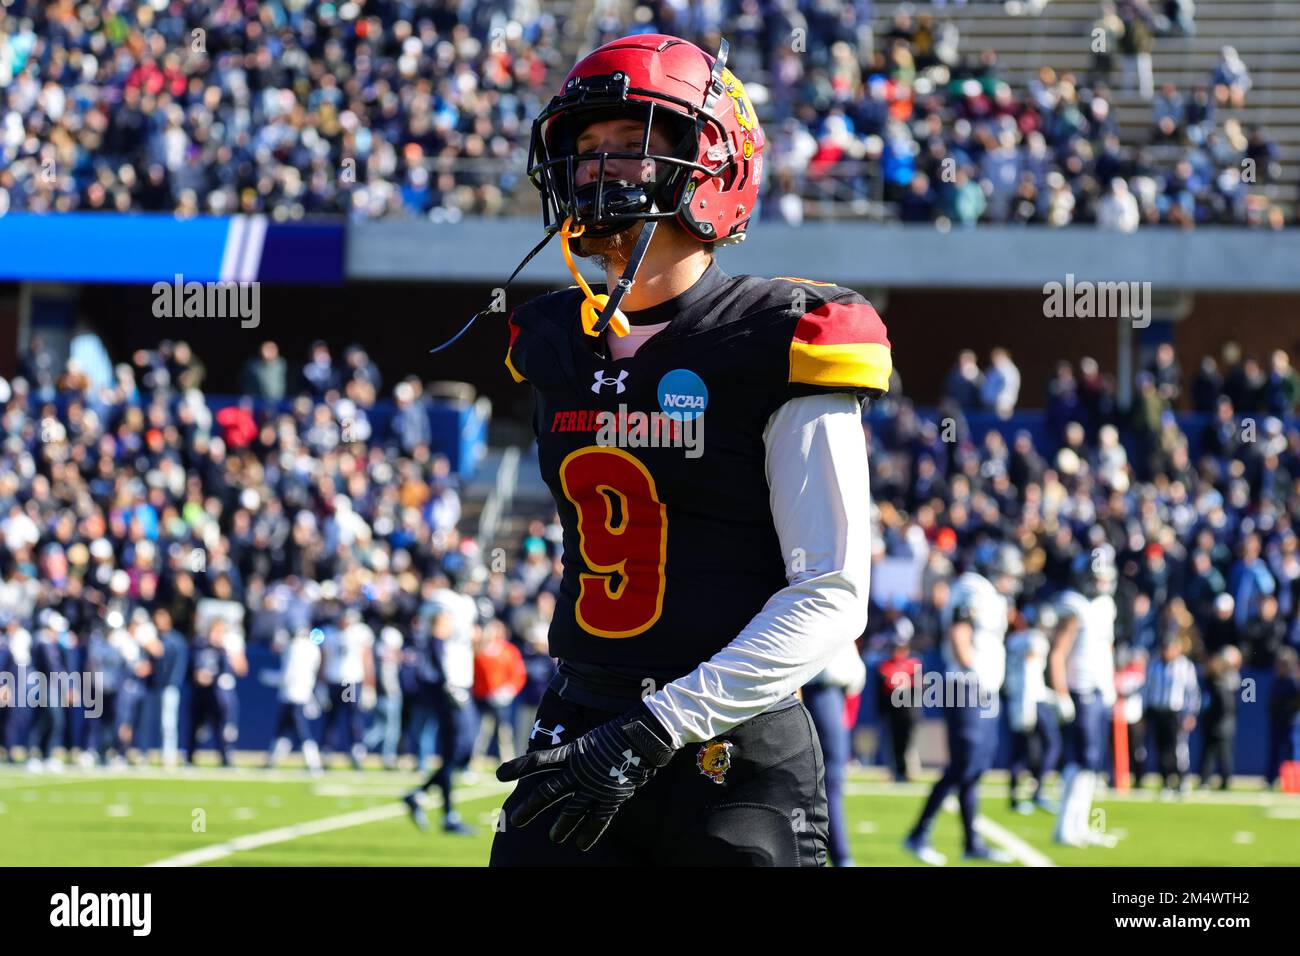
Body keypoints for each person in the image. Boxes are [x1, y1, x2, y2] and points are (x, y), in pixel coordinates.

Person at [490, 33, 889, 867]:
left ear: (713, 165)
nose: (598, 169)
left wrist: (659, 724)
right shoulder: (553, 340)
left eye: (629, 146)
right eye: (585, 148)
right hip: (580, 722)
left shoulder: (781, 335)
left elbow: (833, 592)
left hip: (730, 751)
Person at [904, 543, 1020, 866]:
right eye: (1008, 574)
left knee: (975, 767)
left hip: (981, 689)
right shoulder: (974, 588)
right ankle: (918, 834)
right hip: (967, 687)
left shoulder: (989, 593)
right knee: (964, 764)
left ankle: (972, 842)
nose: (1012, 581)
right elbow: (959, 631)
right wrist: (972, 668)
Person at [1050, 547, 1120, 848]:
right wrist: (1062, 693)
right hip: (1080, 690)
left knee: (1093, 763)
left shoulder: (1106, 605)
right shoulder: (1074, 605)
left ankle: (1080, 824)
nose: (1101, 583)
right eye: (1096, 578)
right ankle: (1065, 826)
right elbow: (1058, 653)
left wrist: (1111, 683)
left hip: (1100, 689)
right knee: (1081, 760)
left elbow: (1107, 650)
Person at [804, 638, 868, 868]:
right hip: (822, 688)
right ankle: (840, 856)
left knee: (830, 777)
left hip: (834, 690)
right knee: (831, 778)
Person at [1005, 604, 1061, 814]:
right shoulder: (1035, 640)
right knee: (1052, 744)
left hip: (1015, 698)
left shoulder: (1013, 640)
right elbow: (1030, 672)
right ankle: (1037, 792)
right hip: (1031, 700)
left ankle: (1015, 797)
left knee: (1020, 750)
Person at [1144, 633, 1201, 797]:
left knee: (1178, 748)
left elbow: (1192, 692)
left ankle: (1183, 780)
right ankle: (1167, 781)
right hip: (1157, 711)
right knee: (1161, 749)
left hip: (1176, 713)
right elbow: (1147, 689)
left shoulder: (1185, 666)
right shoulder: (1154, 665)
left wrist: (1191, 713)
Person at [267, 628, 324, 773]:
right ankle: (273, 759)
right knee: (284, 728)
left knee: (300, 730)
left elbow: (288, 675)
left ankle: (314, 762)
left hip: (293, 692)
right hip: (309, 690)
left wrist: (268, 678)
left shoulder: (294, 648)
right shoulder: (314, 648)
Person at [1198, 645, 1241, 790]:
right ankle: (1205, 779)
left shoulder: (1227, 681)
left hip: (1222, 723)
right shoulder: (1210, 682)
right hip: (1212, 722)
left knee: (1224, 754)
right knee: (1208, 753)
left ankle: (1225, 780)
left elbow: (1228, 706)